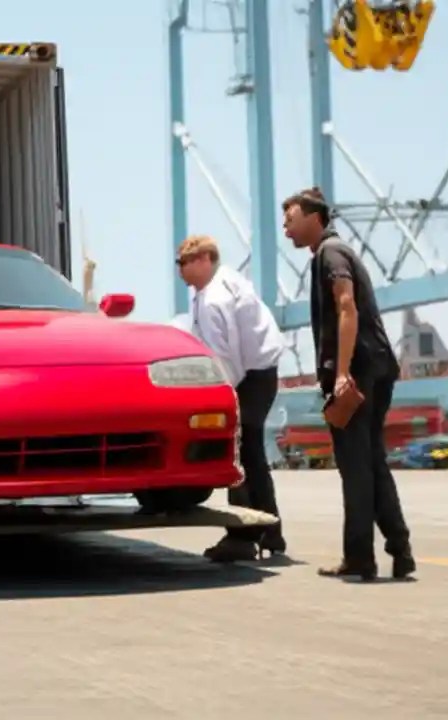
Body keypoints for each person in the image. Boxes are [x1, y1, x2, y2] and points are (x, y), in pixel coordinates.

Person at [282, 186, 416, 582]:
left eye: (290, 220)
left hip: (357, 371)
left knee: (355, 467)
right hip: (376, 366)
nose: (286, 229)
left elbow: (345, 306)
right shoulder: (336, 251)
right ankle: (401, 550)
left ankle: (360, 557)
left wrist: (341, 373)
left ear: (314, 216)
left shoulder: (331, 253)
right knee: (371, 461)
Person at [176, 234, 286, 562]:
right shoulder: (220, 287)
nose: (179, 270)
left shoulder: (214, 299)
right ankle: (267, 531)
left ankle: (246, 534)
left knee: (239, 456)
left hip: (248, 378)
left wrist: (219, 397)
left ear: (204, 259)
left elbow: (224, 357)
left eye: (183, 262)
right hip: (259, 375)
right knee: (250, 456)